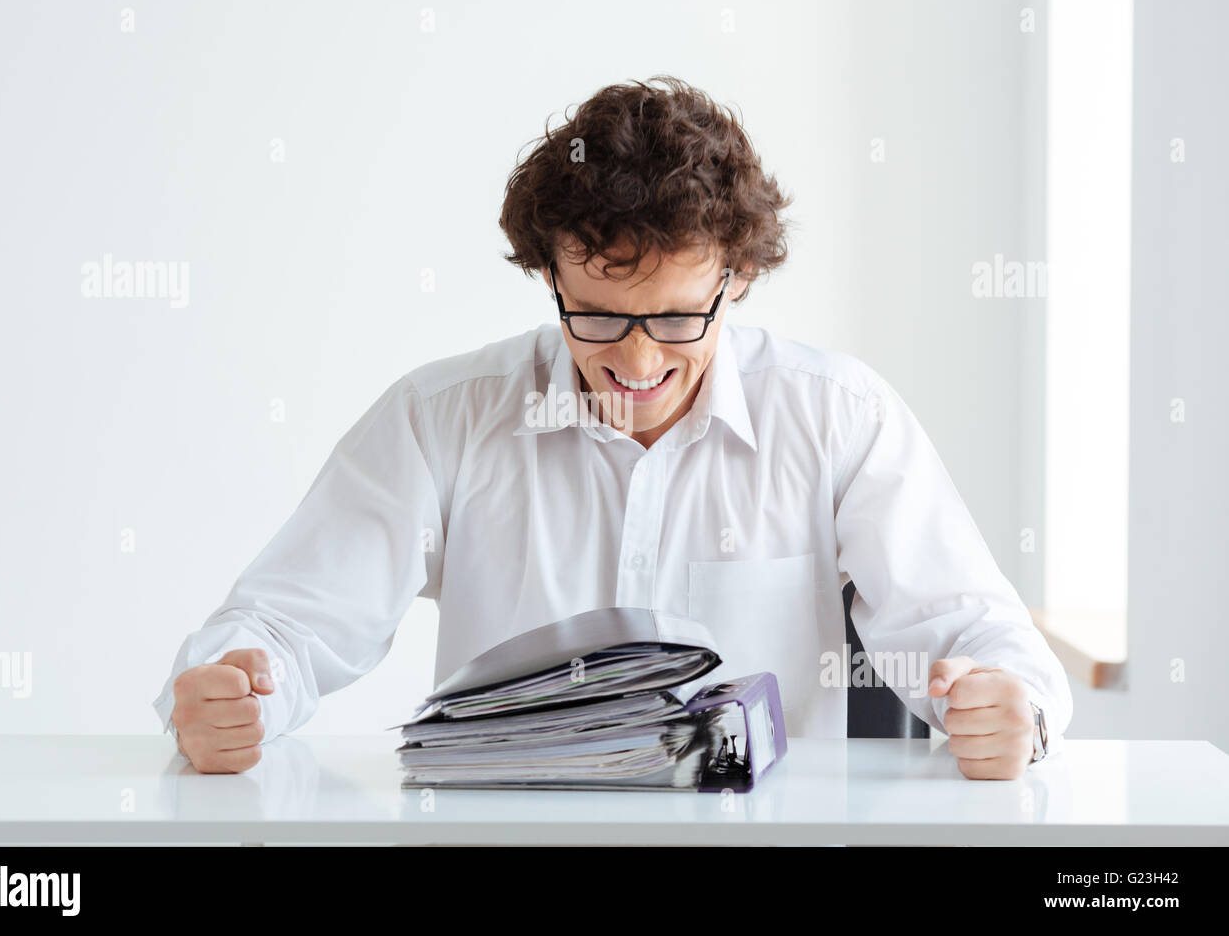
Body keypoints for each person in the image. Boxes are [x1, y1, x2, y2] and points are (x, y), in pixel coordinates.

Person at [155, 75, 1071, 779]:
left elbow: (979, 635)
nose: (637, 363)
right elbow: (282, 622)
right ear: (547, 277)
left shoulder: (840, 419)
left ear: (738, 279)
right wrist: (236, 695)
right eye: (596, 315)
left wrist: (1011, 711)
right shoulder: (444, 419)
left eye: (678, 317)